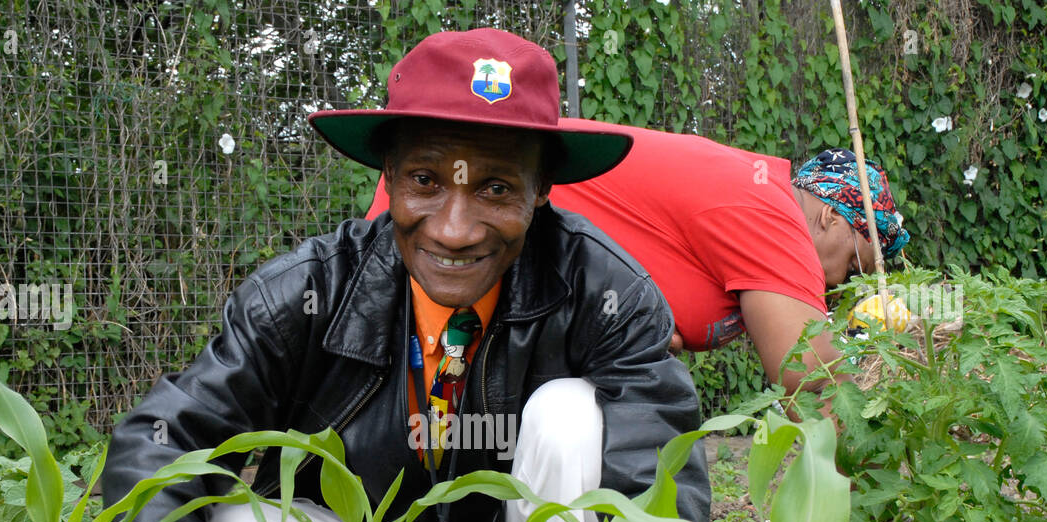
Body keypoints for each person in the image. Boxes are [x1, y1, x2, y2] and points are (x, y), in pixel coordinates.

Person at [100, 29, 710, 522]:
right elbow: (156, 444)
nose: (455, 229)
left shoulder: (602, 290)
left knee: (570, 417)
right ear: (388, 178)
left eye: (495, 189)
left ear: (542, 192)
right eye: (426, 180)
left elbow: (666, 484)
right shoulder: (304, 295)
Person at [367, 124, 911, 412]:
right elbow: (809, 383)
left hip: (486, 289)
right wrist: (905, 359)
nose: (843, 283)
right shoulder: (773, 214)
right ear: (834, 220)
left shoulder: (758, 202)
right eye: (856, 265)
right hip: (452, 250)